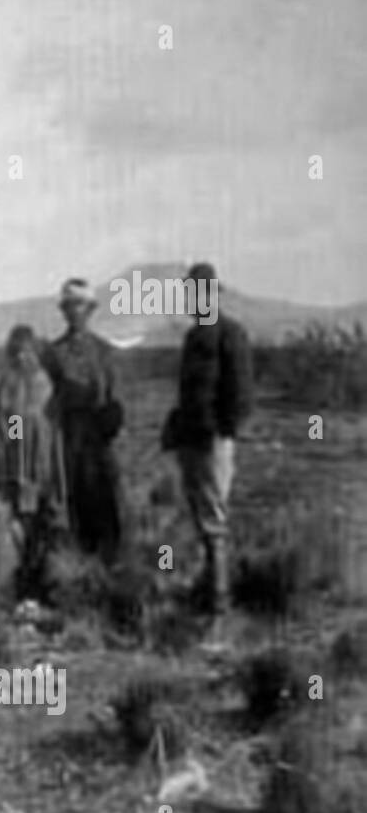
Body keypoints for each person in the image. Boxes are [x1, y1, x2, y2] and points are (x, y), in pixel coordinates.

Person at [161, 262, 254, 617]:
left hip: (213, 440)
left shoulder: (231, 334)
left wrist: (223, 431)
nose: (193, 299)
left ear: (212, 295)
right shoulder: (194, 336)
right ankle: (208, 589)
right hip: (190, 440)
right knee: (201, 514)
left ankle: (219, 600)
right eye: (190, 292)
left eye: (199, 292)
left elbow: (241, 393)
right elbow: (187, 393)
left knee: (214, 517)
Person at [41, 278, 124, 562]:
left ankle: (109, 572)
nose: (76, 312)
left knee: (107, 503)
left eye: (81, 306)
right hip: (68, 438)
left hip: (100, 440)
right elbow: (44, 402)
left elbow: (115, 398)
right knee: (74, 503)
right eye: (70, 306)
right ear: (63, 311)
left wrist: (112, 421)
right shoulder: (53, 354)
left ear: (90, 310)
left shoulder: (104, 351)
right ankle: (78, 574)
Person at [0, 325, 66, 590]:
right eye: (17, 352)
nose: (22, 357)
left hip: (42, 455)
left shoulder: (44, 380)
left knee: (42, 512)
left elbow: (49, 419)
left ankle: (40, 572)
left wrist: (38, 440)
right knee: (16, 512)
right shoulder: (9, 382)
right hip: (17, 458)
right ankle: (14, 574)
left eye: (27, 352)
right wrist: (15, 438)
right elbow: (6, 415)